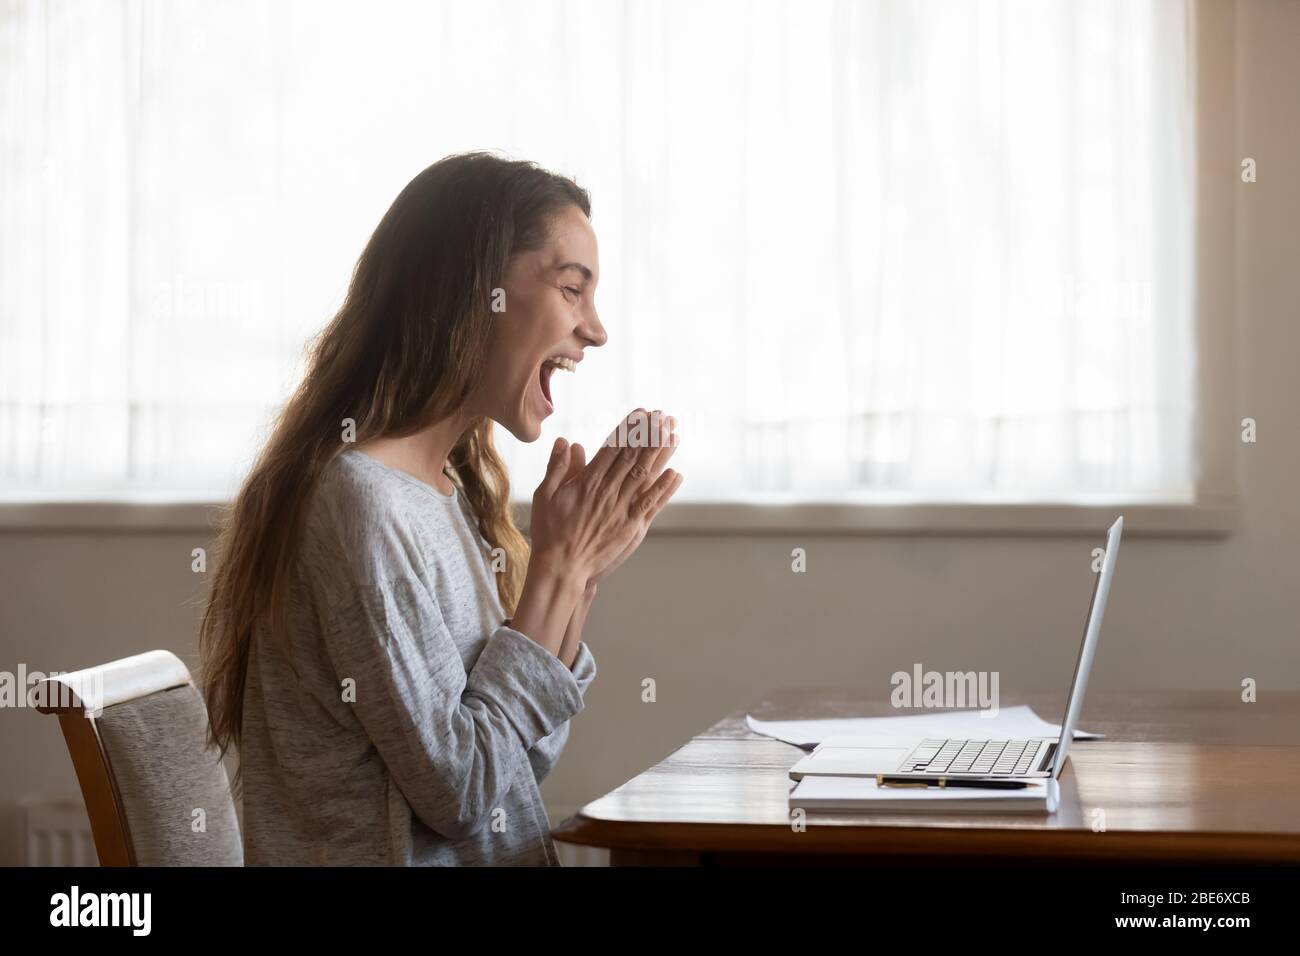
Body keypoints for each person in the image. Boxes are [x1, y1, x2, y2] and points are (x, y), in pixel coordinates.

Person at [198, 152, 683, 865]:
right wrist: (556, 567)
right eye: (572, 288)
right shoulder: (360, 504)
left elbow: (521, 756)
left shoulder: (440, 491)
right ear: (474, 290)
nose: (596, 329)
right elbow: (462, 792)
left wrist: (577, 580)